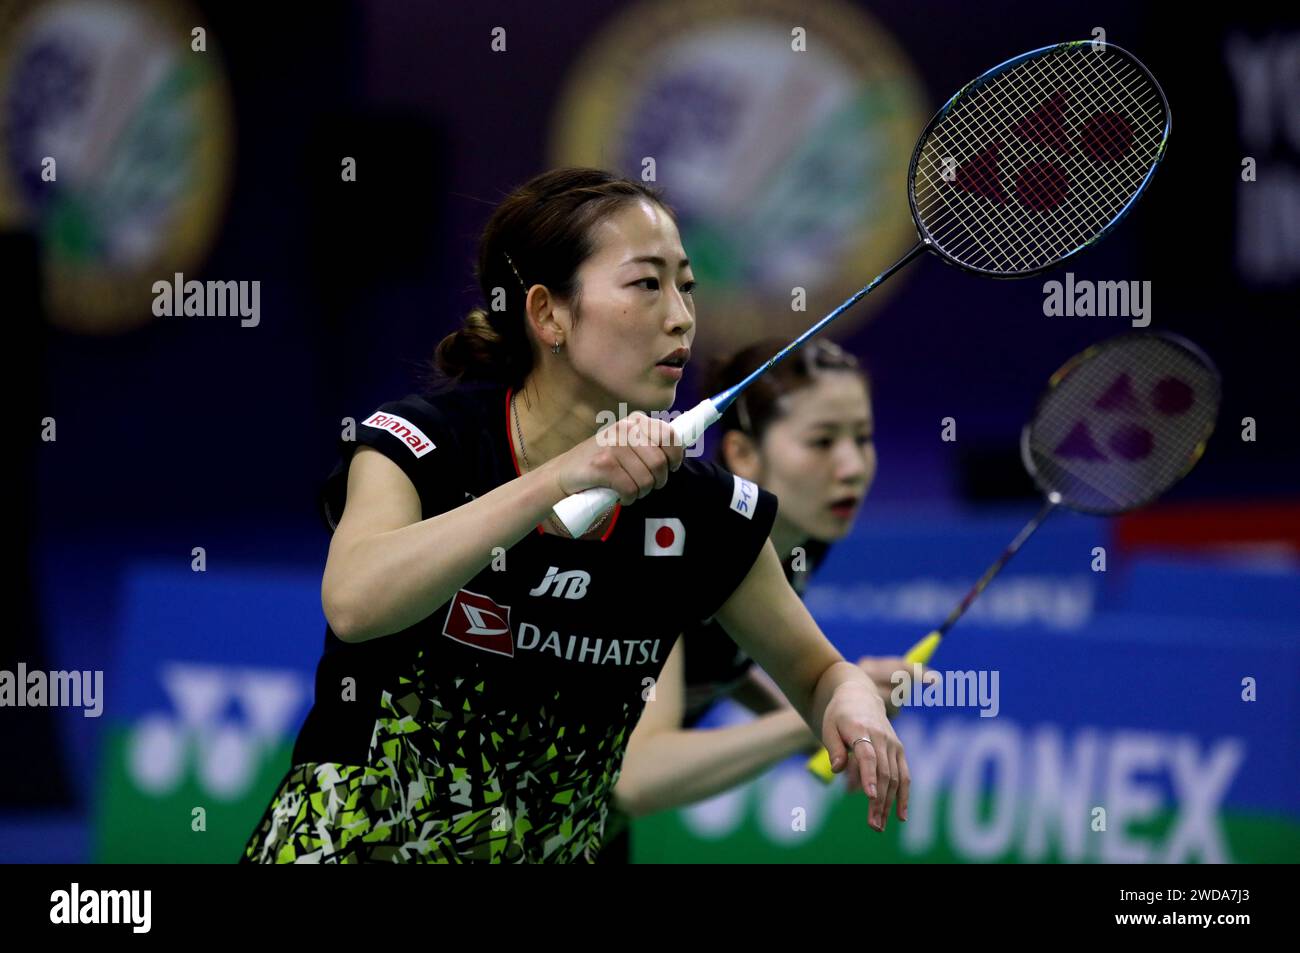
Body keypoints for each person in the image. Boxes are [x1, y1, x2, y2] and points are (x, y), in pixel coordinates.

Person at [240, 167, 907, 863]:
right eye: (647, 284)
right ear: (549, 313)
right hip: (351, 846)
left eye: (687, 285)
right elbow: (354, 602)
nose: (680, 316)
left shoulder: (705, 513)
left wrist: (850, 702)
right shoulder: (427, 446)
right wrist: (560, 476)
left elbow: (818, 673)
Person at [599, 338, 929, 862]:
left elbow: (724, 650)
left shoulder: (803, 539)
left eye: (862, 438)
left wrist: (821, 708)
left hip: (592, 827)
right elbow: (637, 778)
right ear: (743, 454)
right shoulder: (678, 549)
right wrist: (818, 719)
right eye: (822, 442)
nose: (852, 467)